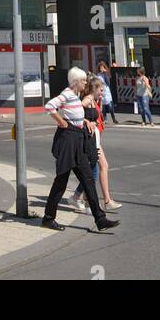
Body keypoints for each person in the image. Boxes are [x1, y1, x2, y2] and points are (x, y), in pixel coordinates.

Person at [41, 68, 119, 233]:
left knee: (88, 179)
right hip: (68, 141)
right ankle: (48, 218)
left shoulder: (74, 96)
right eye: (83, 81)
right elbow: (49, 106)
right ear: (76, 82)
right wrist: (62, 122)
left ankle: (100, 219)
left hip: (77, 141)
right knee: (61, 181)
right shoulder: (67, 94)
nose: (85, 83)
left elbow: (73, 115)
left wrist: (84, 121)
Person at [70, 76, 122, 214]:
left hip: (95, 139)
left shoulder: (95, 100)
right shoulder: (87, 100)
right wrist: (87, 121)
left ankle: (83, 199)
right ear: (94, 88)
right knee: (95, 171)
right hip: (89, 141)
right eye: (101, 90)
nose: (102, 92)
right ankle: (99, 202)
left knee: (96, 170)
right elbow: (77, 112)